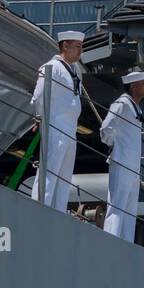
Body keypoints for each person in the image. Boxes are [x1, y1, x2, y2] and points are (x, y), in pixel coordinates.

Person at [30, 31, 84, 213]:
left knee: (64, 178)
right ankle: (38, 210)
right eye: (77, 46)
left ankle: (58, 212)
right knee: (49, 173)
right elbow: (39, 96)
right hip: (56, 125)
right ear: (65, 46)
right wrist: (41, 118)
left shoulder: (74, 71)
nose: (80, 51)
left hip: (70, 129)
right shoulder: (52, 67)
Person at [100, 70, 144, 243]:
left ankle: (126, 243)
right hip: (121, 161)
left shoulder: (135, 107)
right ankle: (111, 242)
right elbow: (106, 129)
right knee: (117, 206)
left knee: (130, 209)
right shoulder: (121, 104)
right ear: (133, 86)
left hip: (132, 165)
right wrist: (115, 146)